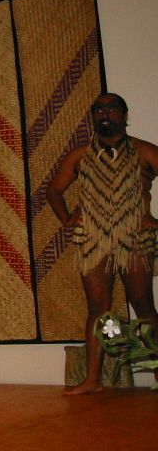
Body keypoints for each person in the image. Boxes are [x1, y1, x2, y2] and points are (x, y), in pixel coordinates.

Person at [46, 93, 158, 395]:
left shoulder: (145, 152)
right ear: (93, 116)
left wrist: (154, 222)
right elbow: (54, 190)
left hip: (134, 238)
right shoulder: (80, 155)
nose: (105, 113)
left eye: (112, 108)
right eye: (98, 109)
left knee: (143, 306)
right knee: (98, 308)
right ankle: (93, 379)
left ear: (124, 114)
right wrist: (67, 217)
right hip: (93, 240)